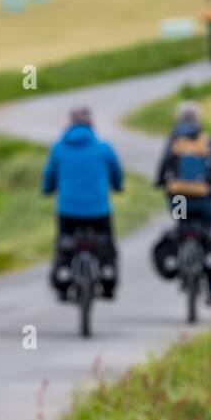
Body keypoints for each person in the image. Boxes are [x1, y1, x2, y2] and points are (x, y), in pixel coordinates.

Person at [41, 106, 123, 300]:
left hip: (68, 210)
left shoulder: (59, 147)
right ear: (90, 123)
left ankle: (62, 281)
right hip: (99, 210)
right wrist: (118, 187)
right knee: (107, 244)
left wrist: (47, 189)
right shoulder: (104, 147)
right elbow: (117, 173)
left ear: (70, 123)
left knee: (64, 244)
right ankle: (108, 276)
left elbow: (49, 175)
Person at [154, 101, 211, 305]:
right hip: (203, 198)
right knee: (208, 237)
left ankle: (180, 261)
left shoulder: (174, 140)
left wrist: (160, 182)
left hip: (178, 197)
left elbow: (164, 165)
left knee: (180, 226)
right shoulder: (206, 140)